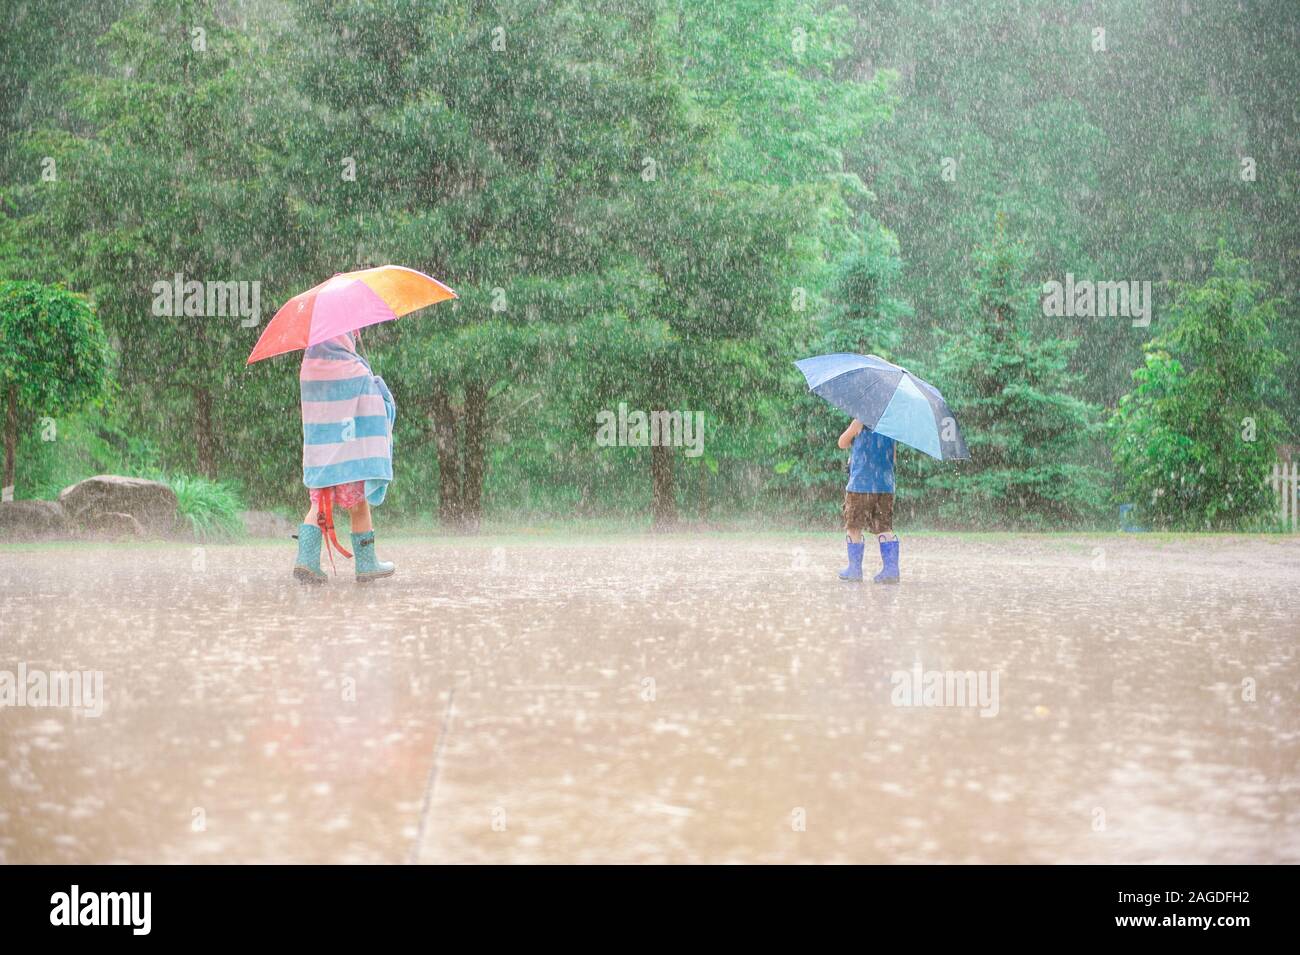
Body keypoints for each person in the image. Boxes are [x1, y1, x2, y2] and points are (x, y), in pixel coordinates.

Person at [293, 330, 396, 584]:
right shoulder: (354, 369)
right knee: (359, 506)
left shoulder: (309, 366)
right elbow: (372, 407)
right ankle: (367, 564)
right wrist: (377, 386)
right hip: (350, 458)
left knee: (318, 507)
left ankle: (306, 561)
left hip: (322, 459)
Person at [837, 418, 899, 583]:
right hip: (885, 486)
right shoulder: (890, 426)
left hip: (860, 486)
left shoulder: (860, 421)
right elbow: (893, 459)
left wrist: (857, 451)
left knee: (854, 526)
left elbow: (842, 443)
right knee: (884, 526)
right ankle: (891, 570)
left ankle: (854, 569)